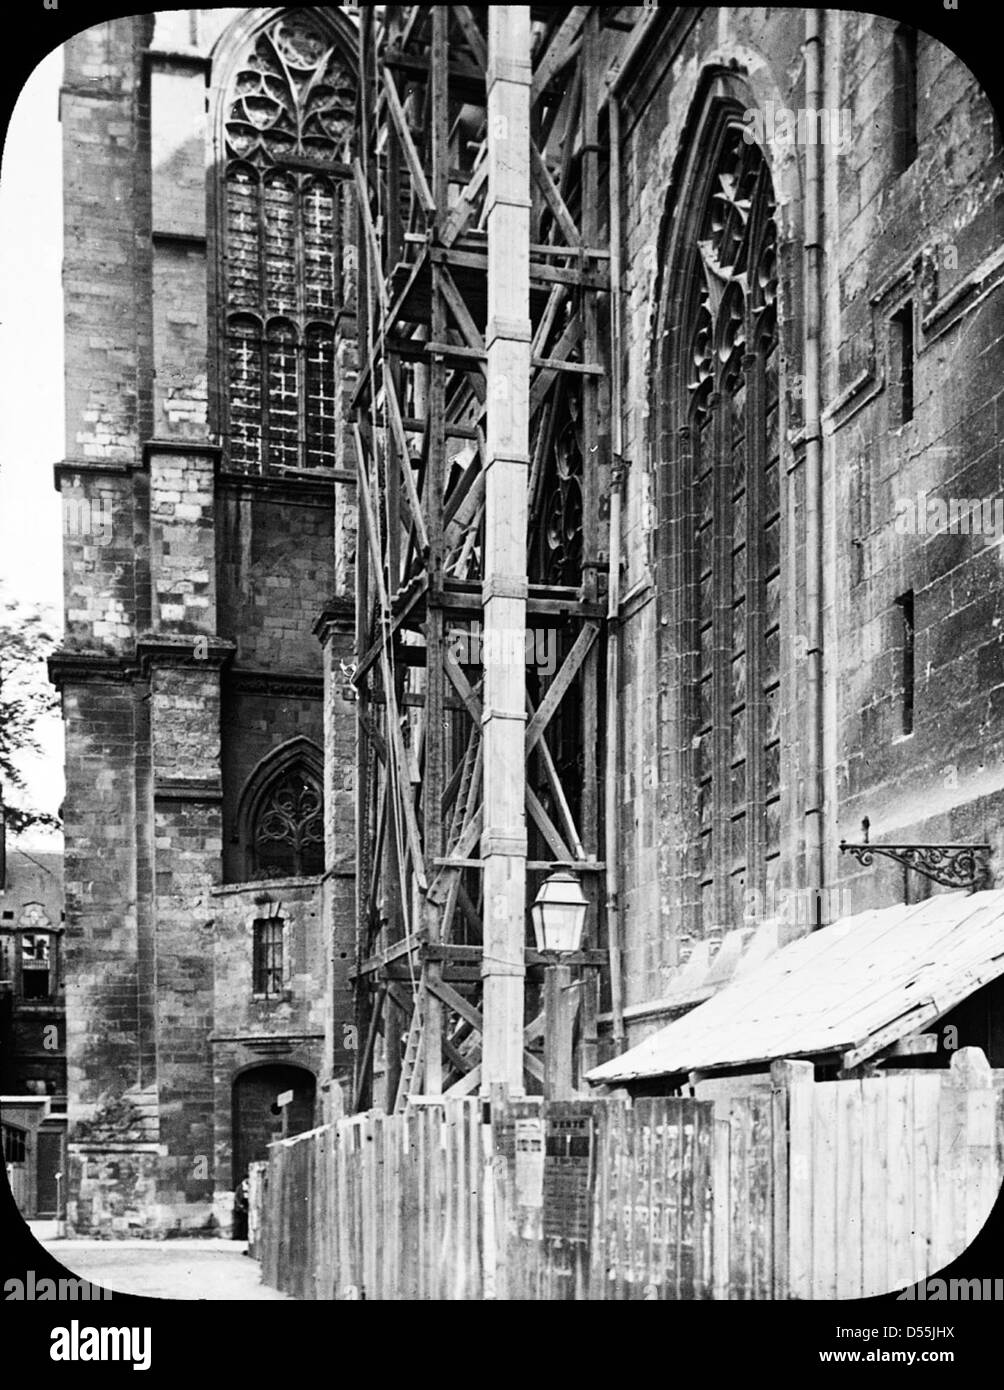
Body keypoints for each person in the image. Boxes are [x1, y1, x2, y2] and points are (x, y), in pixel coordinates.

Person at [233, 1174, 249, 1241]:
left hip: (246, 1205)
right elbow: (236, 1197)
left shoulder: (250, 1186)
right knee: (240, 1222)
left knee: (246, 1222)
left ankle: (245, 1236)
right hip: (241, 1206)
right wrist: (240, 1204)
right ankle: (239, 1236)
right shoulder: (240, 1187)